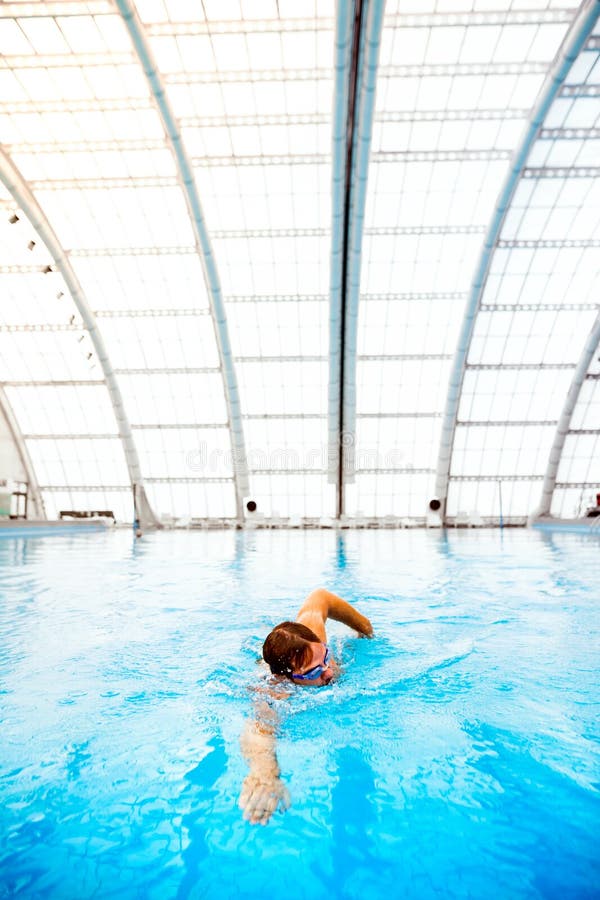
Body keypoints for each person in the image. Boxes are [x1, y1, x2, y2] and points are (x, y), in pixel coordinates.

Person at [239, 587, 373, 825]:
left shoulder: (312, 636)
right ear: (288, 679)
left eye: (325, 657)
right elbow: (259, 729)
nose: (329, 671)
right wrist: (264, 773)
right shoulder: (276, 691)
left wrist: (365, 628)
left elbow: (320, 597)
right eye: (314, 670)